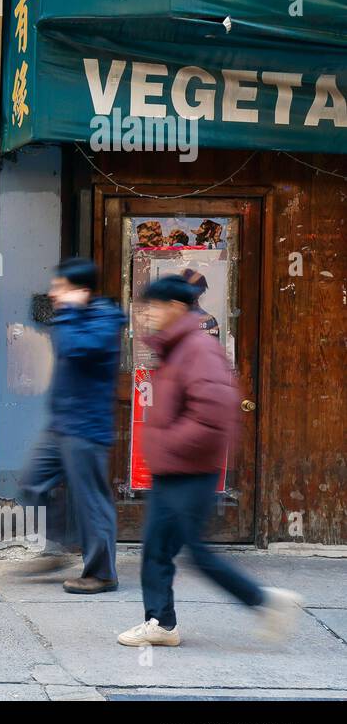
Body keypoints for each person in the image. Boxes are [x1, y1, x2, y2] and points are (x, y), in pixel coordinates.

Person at [117, 275, 302, 647]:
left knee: (193, 552)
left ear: (176, 308)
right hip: (175, 469)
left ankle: (266, 601)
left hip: (190, 471)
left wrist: (167, 445)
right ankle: (161, 623)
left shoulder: (197, 349)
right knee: (157, 548)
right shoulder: (176, 349)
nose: (146, 315)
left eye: (152, 307)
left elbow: (213, 417)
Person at [17, 257, 126, 593]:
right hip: (61, 424)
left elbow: (74, 349)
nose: (53, 293)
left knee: (92, 501)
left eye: (59, 287)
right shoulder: (73, 316)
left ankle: (102, 573)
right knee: (30, 485)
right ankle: (66, 544)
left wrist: (71, 312)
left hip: (86, 427)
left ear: (81, 290)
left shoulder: (105, 319)